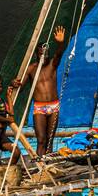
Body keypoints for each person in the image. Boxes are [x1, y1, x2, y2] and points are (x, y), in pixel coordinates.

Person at [15, 25, 66, 156]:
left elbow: (59, 54)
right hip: (39, 107)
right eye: (42, 52)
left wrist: (60, 43)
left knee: (50, 140)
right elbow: (20, 87)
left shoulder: (52, 65)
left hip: (54, 106)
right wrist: (14, 84)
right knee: (41, 140)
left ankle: (48, 165)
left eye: (46, 52)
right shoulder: (31, 68)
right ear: (37, 53)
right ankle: (40, 165)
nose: (45, 54)